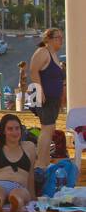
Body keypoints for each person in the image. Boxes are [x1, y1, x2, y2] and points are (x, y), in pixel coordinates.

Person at [28, 27, 65, 170]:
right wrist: (40, 89)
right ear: (48, 39)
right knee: (47, 129)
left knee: (50, 129)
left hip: (53, 98)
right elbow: (33, 70)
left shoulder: (54, 54)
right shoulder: (43, 52)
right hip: (45, 97)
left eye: (62, 37)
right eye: (58, 37)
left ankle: (44, 161)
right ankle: (41, 163)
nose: (61, 40)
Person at [0, 113, 36, 212]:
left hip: (20, 186)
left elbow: (31, 174)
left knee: (18, 195)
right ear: (3, 131)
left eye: (17, 128)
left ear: (21, 129)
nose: (14, 132)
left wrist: (32, 195)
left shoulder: (29, 147)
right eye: (10, 129)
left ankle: (16, 203)